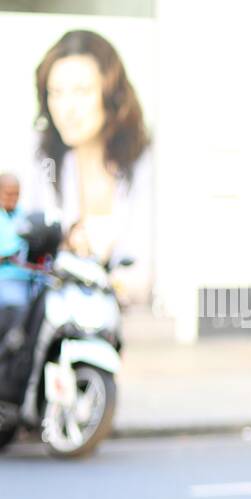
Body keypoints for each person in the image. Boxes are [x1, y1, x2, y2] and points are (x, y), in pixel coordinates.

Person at [24, 29, 153, 308]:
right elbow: (30, 247)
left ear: (111, 95)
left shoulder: (144, 158)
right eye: (55, 93)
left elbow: (148, 268)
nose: (66, 108)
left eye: (81, 92)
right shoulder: (44, 157)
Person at [0, 173, 33, 310]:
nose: (13, 199)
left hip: (25, 281)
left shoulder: (23, 214)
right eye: (9, 194)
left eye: (17, 194)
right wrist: (8, 255)